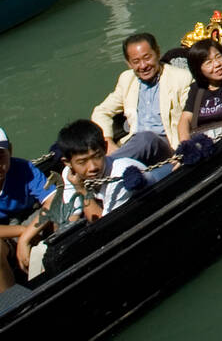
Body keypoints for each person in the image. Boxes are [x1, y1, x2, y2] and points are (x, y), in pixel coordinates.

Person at [16, 120, 146, 279]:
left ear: (105, 148)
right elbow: (71, 218)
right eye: (82, 162)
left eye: (96, 156)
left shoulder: (121, 174)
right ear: (67, 163)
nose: (92, 167)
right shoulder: (69, 174)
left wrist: (81, 189)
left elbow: (104, 226)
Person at [92, 33, 191, 160]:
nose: (143, 66)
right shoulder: (127, 79)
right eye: (136, 61)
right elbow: (101, 111)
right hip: (134, 144)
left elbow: (187, 117)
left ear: (158, 53)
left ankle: (108, 163)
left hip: (165, 145)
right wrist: (108, 141)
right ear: (129, 63)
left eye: (147, 58)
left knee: (146, 138)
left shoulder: (181, 78)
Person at [0, 129, 55, 292]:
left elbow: (53, 200)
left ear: (10, 151)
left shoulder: (24, 169)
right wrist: (23, 232)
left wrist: (25, 238)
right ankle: (12, 301)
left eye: (0, 156)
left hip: (28, 220)